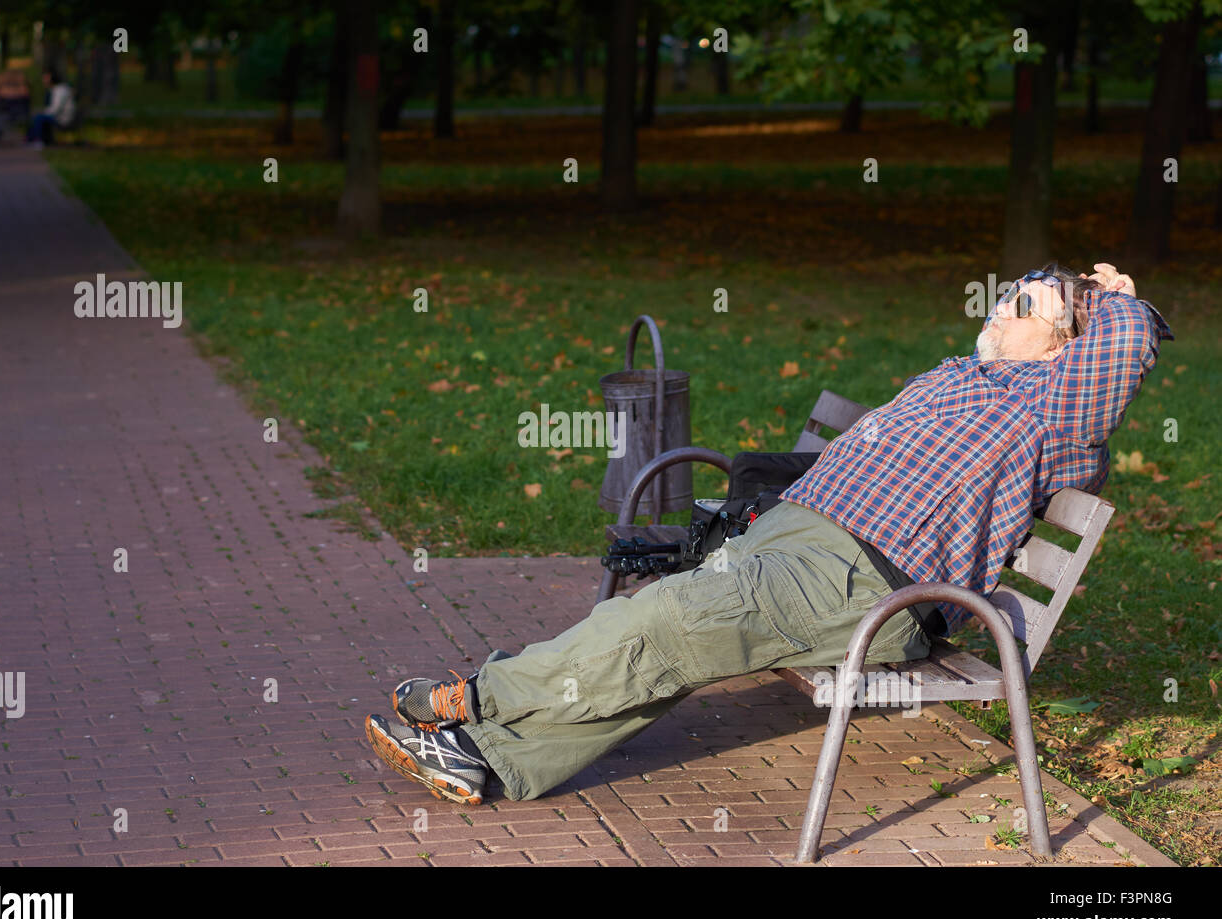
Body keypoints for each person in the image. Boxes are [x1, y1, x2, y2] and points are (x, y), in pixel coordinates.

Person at [364, 262, 1174, 805]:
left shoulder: (1054, 411)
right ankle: (494, 763)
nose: (999, 310)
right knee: (671, 639)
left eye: (1022, 306)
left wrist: (1114, 294)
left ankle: (476, 698)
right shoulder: (966, 374)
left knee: (666, 619)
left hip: (871, 585)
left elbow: (1129, 346)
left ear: (1069, 345)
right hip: (797, 538)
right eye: (1004, 297)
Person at [26, 70, 75, 149]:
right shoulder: (56, 89)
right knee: (37, 116)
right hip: (59, 116)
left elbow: (55, 109)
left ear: (52, 78)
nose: (43, 80)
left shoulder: (60, 90)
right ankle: (30, 140)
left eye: (46, 78)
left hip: (63, 119)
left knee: (38, 118)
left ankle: (38, 141)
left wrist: (42, 112)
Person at [0, 68, 31, 145]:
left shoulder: (20, 84)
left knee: (3, 119)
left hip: (16, 105)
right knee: (1, 119)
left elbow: (26, 93)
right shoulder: (6, 85)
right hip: (8, 105)